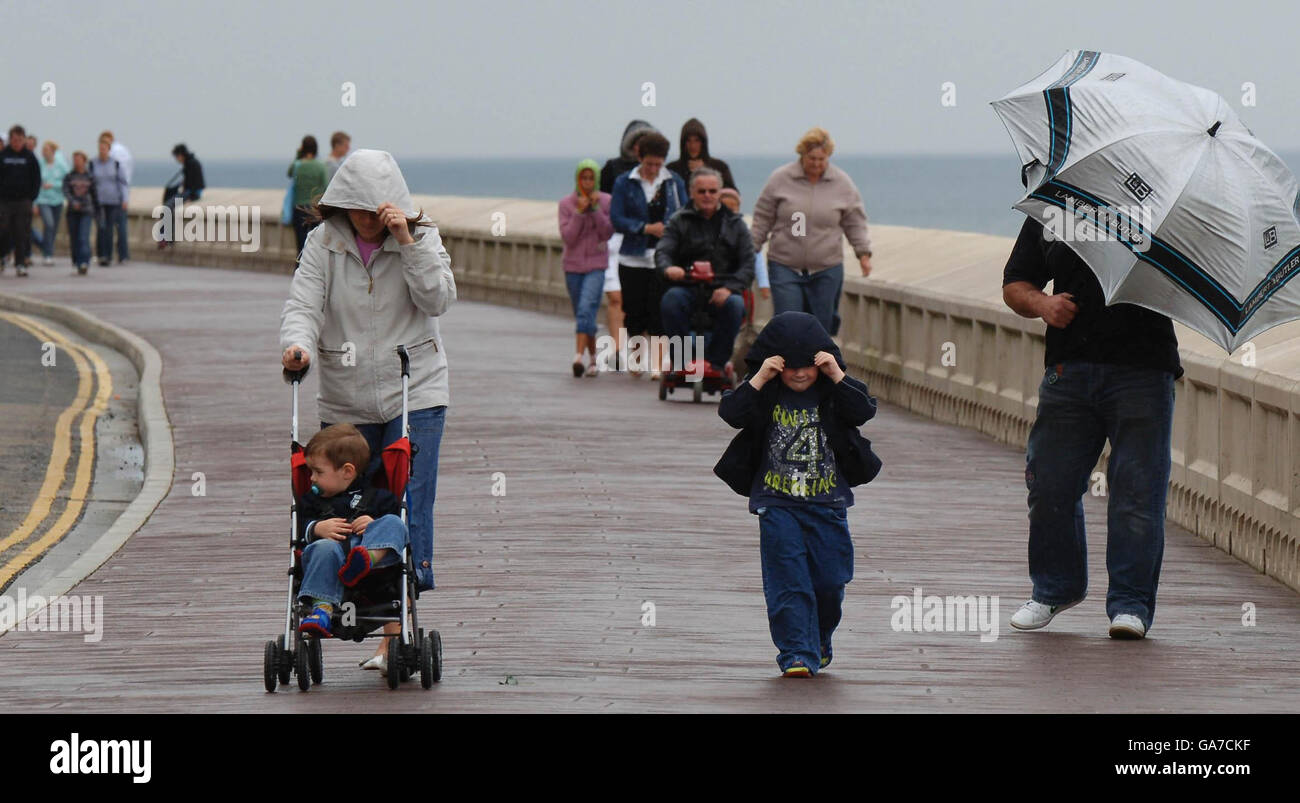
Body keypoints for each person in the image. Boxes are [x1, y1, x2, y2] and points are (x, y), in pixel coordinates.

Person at [281, 148, 455, 666]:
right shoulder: (323, 244)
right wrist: (298, 347)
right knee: (346, 506)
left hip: (415, 389)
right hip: (345, 396)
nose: (364, 219)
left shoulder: (421, 238)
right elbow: (303, 305)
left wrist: (408, 242)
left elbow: (439, 299)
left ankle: (396, 629)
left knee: (406, 504)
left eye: (374, 210)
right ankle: (333, 600)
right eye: (354, 208)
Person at [1002, 217, 1180, 640]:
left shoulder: (1166, 211)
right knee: (1049, 485)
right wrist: (1043, 305)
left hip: (1145, 370)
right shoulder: (1057, 202)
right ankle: (1054, 590)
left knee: (1137, 493)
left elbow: (1195, 284)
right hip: (1069, 369)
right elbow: (1015, 284)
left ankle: (1130, 604)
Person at [715, 311, 881, 676]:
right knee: (788, 579)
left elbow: (863, 409)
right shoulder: (764, 392)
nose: (801, 373)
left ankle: (819, 638)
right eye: (790, 367)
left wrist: (837, 374)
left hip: (829, 504)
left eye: (809, 365)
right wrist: (759, 377)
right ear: (776, 366)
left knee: (829, 582)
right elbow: (731, 412)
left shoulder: (834, 393)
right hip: (777, 503)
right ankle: (796, 652)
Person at [751, 127, 873, 336]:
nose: (816, 164)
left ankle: (817, 368)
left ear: (828, 157)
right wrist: (751, 247)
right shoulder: (780, 179)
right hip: (785, 265)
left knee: (821, 329)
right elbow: (763, 218)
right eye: (812, 158)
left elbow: (854, 221)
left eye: (821, 159)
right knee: (788, 324)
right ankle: (790, 366)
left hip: (826, 267)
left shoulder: (842, 183)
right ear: (802, 155)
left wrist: (863, 253)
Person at [295, 424, 409, 649]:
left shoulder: (378, 498)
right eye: (310, 472)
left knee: (395, 523)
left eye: (318, 472)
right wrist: (317, 528)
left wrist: (373, 524)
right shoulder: (312, 502)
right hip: (331, 557)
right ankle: (322, 608)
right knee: (323, 548)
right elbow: (299, 530)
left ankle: (368, 558)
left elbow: (392, 525)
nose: (311, 479)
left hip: (374, 565)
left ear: (347, 471)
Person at [655, 168, 753, 377]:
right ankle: (683, 360)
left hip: (722, 288)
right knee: (671, 300)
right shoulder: (678, 221)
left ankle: (716, 363)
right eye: (701, 191)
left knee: (735, 305)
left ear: (719, 193)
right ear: (692, 193)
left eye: (712, 191)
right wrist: (669, 269)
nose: (707, 196)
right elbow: (663, 251)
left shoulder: (736, 224)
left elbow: (748, 264)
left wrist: (729, 288)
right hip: (687, 287)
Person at [609, 131, 686, 376]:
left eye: (658, 164)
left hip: (663, 257)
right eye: (649, 163)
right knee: (634, 311)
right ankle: (637, 358)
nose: (653, 168)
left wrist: (670, 230)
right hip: (632, 256)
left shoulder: (674, 182)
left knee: (659, 310)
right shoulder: (624, 182)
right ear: (640, 157)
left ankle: (657, 364)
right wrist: (644, 228)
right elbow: (616, 218)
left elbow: (684, 213)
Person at [600, 120, 657, 368]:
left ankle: (638, 353)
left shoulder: (658, 173)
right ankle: (618, 349)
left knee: (639, 299)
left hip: (646, 241)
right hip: (616, 238)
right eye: (635, 143)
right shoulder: (613, 169)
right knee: (616, 296)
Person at [558, 159, 613, 377]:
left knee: (585, 309)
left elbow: (607, 233)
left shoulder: (607, 201)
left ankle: (577, 357)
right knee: (584, 315)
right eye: (584, 178)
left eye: (592, 178)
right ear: (578, 179)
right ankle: (592, 359)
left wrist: (596, 210)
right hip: (572, 266)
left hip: (596, 265)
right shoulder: (566, 204)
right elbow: (568, 238)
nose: (588, 183)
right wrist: (580, 213)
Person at [0, 124, 41, 277]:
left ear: (24, 139)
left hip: (23, 201)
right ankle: (2, 256)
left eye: (20, 140)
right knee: (3, 230)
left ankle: (20, 264)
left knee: (21, 233)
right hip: (5, 201)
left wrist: (32, 197)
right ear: (10, 140)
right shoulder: (3, 155)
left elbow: (36, 178)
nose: (17, 143)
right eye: (14, 140)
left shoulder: (30, 157)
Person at [720, 187, 769, 300]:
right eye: (724, 208)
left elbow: (757, 257)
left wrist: (764, 284)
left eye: (732, 209)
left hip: (741, 285)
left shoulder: (744, 232)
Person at [666, 118, 736, 191]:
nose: (692, 146)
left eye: (697, 140)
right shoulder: (671, 170)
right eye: (688, 141)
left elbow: (732, 199)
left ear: (703, 143)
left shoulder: (720, 167)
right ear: (683, 143)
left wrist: (706, 171)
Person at [90, 136, 129, 267]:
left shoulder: (116, 164)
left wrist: (125, 199)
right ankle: (102, 254)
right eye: (100, 148)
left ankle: (108, 255)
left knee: (110, 228)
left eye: (104, 148)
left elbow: (123, 183)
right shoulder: (93, 163)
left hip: (113, 200)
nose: (102, 151)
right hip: (98, 201)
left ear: (109, 149)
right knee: (101, 227)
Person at [287, 135, 328, 258]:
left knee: (300, 244)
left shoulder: (297, 165)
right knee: (315, 244)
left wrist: (298, 155)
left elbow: (289, 173)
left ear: (303, 148)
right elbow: (325, 186)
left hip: (299, 208)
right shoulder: (321, 166)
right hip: (315, 209)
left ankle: (299, 269)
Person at [99, 131, 133, 262]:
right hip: (120, 194)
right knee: (120, 227)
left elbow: (120, 178)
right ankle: (123, 255)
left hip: (114, 197)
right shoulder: (124, 151)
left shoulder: (114, 154)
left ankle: (109, 254)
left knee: (109, 227)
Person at [34, 140, 69, 265]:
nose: (44, 152)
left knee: (53, 227)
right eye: (43, 150)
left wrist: (53, 185)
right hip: (43, 199)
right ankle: (47, 253)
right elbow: (35, 184)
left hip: (57, 200)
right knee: (49, 224)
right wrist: (35, 203)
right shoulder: (39, 164)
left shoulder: (61, 164)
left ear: (53, 152)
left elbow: (67, 181)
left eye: (47, 150)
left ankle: (48, 250)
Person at [62, 151, 96, 275]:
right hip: (72, 212)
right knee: (75, 238)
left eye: (79, 159)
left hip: (86, 211)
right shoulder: (69, 176)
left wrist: (97, 211)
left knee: (83, 237)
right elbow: (66, 191)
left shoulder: (90, 176)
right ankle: (76, 260)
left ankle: (84, 262)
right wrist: (73, 202)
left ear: (84, 161)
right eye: (74, 159)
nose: (76, 162)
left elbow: (94, 194)